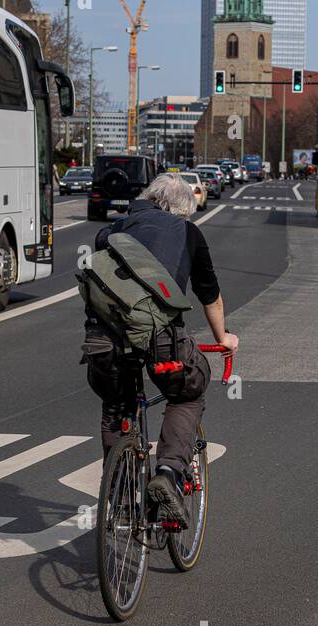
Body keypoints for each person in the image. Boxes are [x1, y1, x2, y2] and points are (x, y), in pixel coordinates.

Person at [84, 174, 238, 523]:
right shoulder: (188, 233)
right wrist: (222, 338)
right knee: (189, 391)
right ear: (183, 210)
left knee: (116, 406)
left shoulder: (111, 231)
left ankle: (121, 499)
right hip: (162, 340)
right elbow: (208, 294)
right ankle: (168, 473)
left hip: (101, 341)